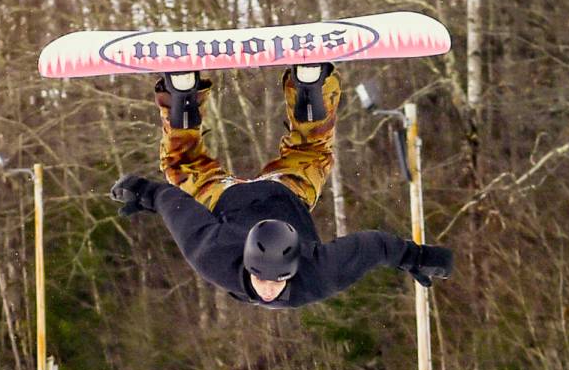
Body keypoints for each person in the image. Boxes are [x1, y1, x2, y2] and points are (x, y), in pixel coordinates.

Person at [110, 64, 453, 309]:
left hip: (234, 199)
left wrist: (145, 192)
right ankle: (310, 83)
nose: (269, 289)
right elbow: (373, 246)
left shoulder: (214, 256)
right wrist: (416, 257)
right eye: (267, 280)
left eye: (272, 281)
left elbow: (176, 210)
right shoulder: (319, 274)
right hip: (281, 193)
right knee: (309, 152)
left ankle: (183, 92)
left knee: (185, 168)